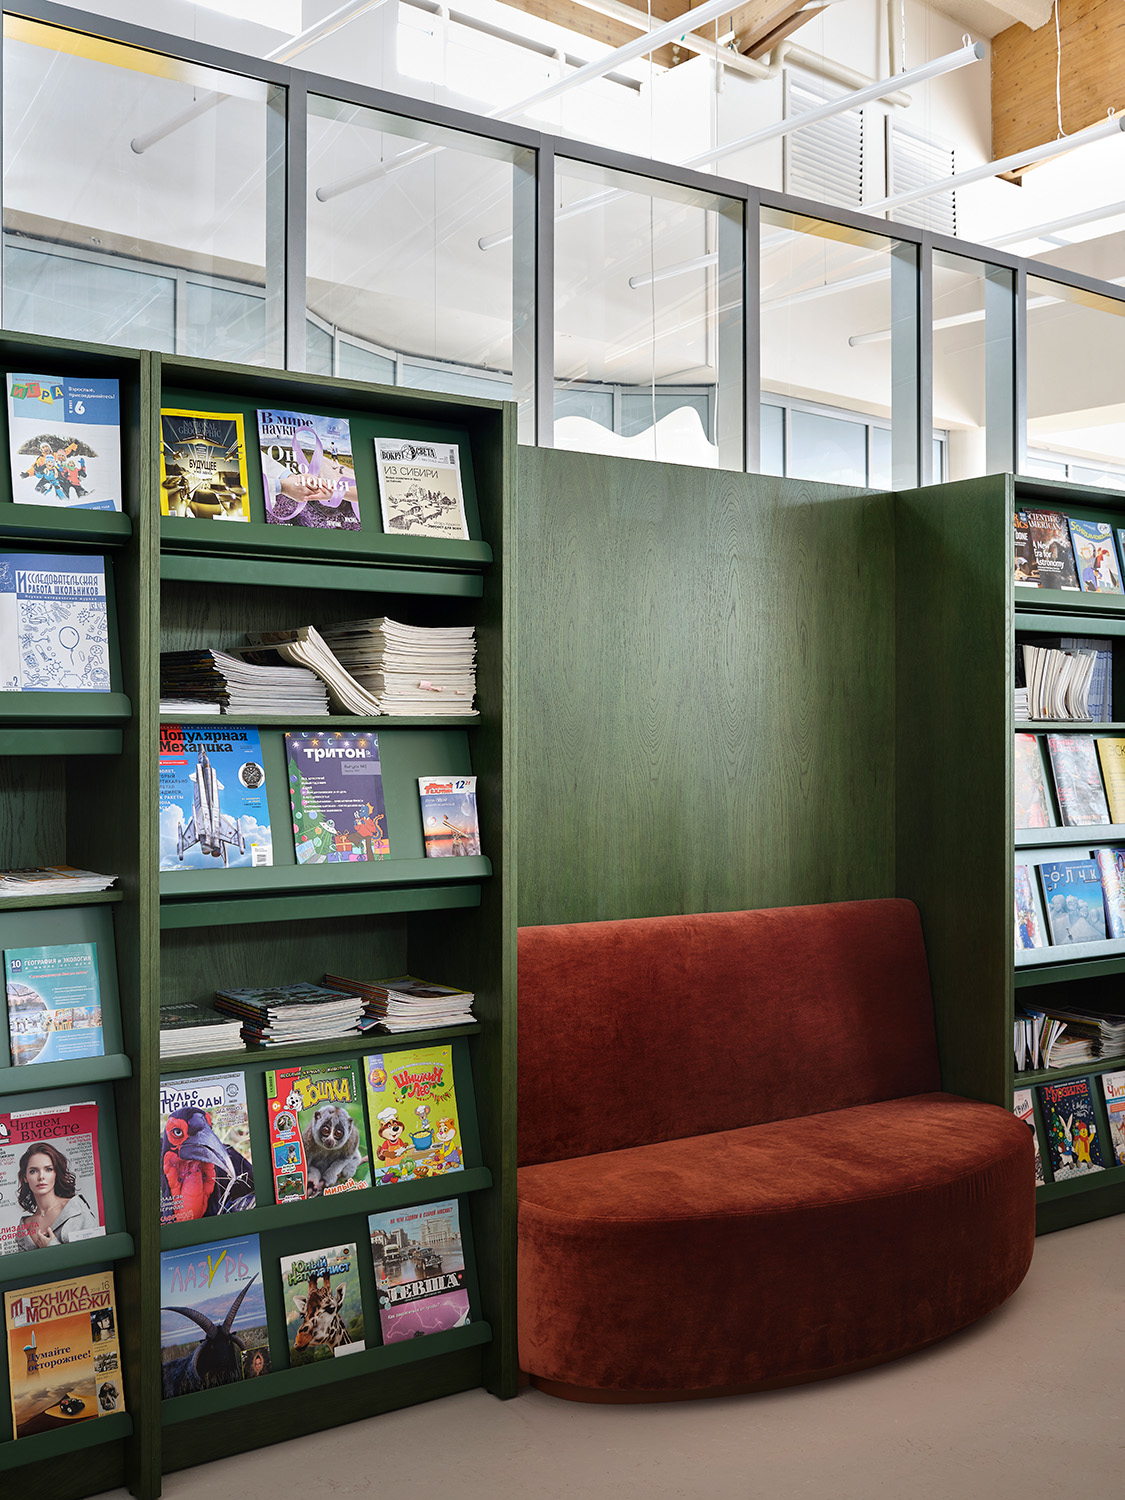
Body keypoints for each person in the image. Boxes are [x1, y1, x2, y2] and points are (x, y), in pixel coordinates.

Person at [15, 1141, 98, 1250]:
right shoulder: (24, 1226)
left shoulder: (76, 1210)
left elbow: (95, 1253)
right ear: (25, 1177)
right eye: (33, 1171)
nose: (41, 1177)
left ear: (56, 1174)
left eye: (48, 1169)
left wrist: (51, 1245)